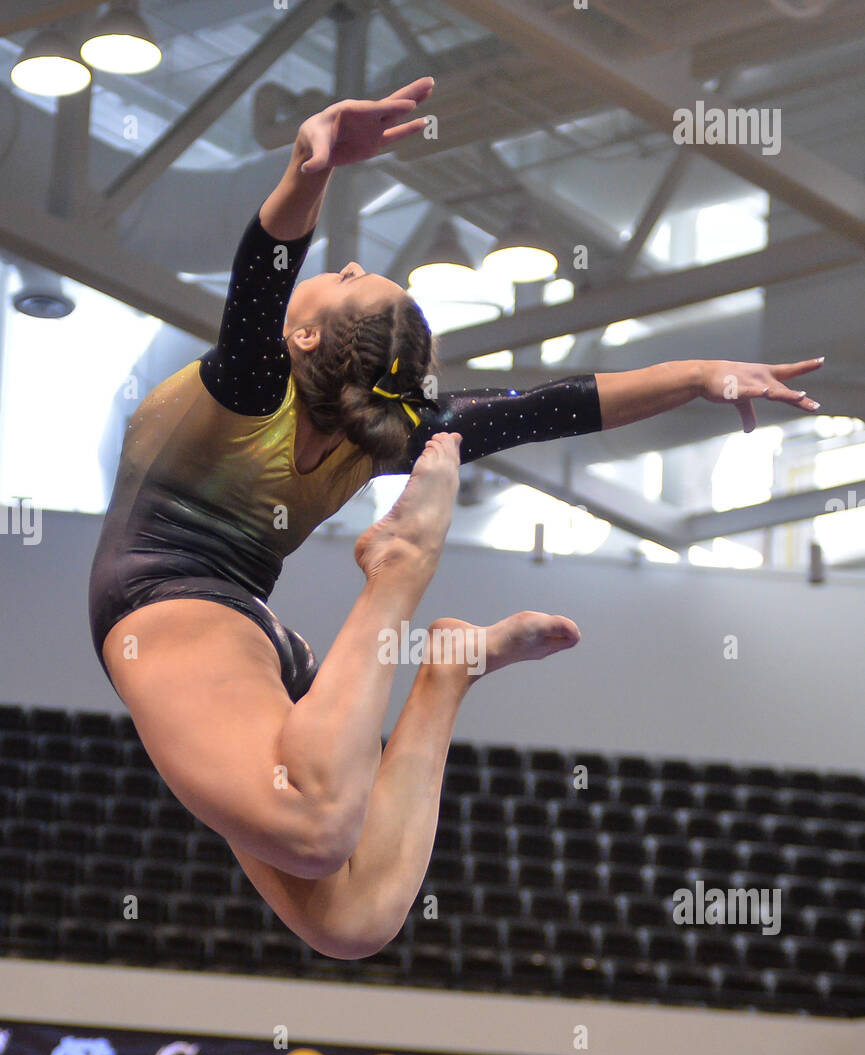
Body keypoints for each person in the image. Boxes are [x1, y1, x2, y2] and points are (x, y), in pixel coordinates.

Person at [89, 76, 824, 960]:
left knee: (329, 862)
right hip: (233, 642)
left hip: (183, 617)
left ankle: (402, 567)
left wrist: (309, 171)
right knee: (351, 919)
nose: (349, 264)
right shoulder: (367, 431)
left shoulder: (255, 389)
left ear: (309, 339)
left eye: (354, 281)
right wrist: (699, 373)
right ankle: (447, 669)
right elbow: (557, 406)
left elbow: (266, 270)